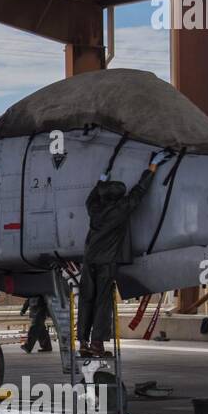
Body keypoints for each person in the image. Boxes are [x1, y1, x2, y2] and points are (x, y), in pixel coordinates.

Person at [77, 150, 170, 357]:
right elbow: (140, 191)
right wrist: (152, 167)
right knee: (102, 302)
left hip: (89, 259)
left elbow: (90, 200)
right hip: (107, 262)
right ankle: (97, 344)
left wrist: (100, 181)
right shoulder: (121, 210)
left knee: (86, 300)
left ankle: (82, 342)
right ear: (118, 197)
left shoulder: (95, 210)